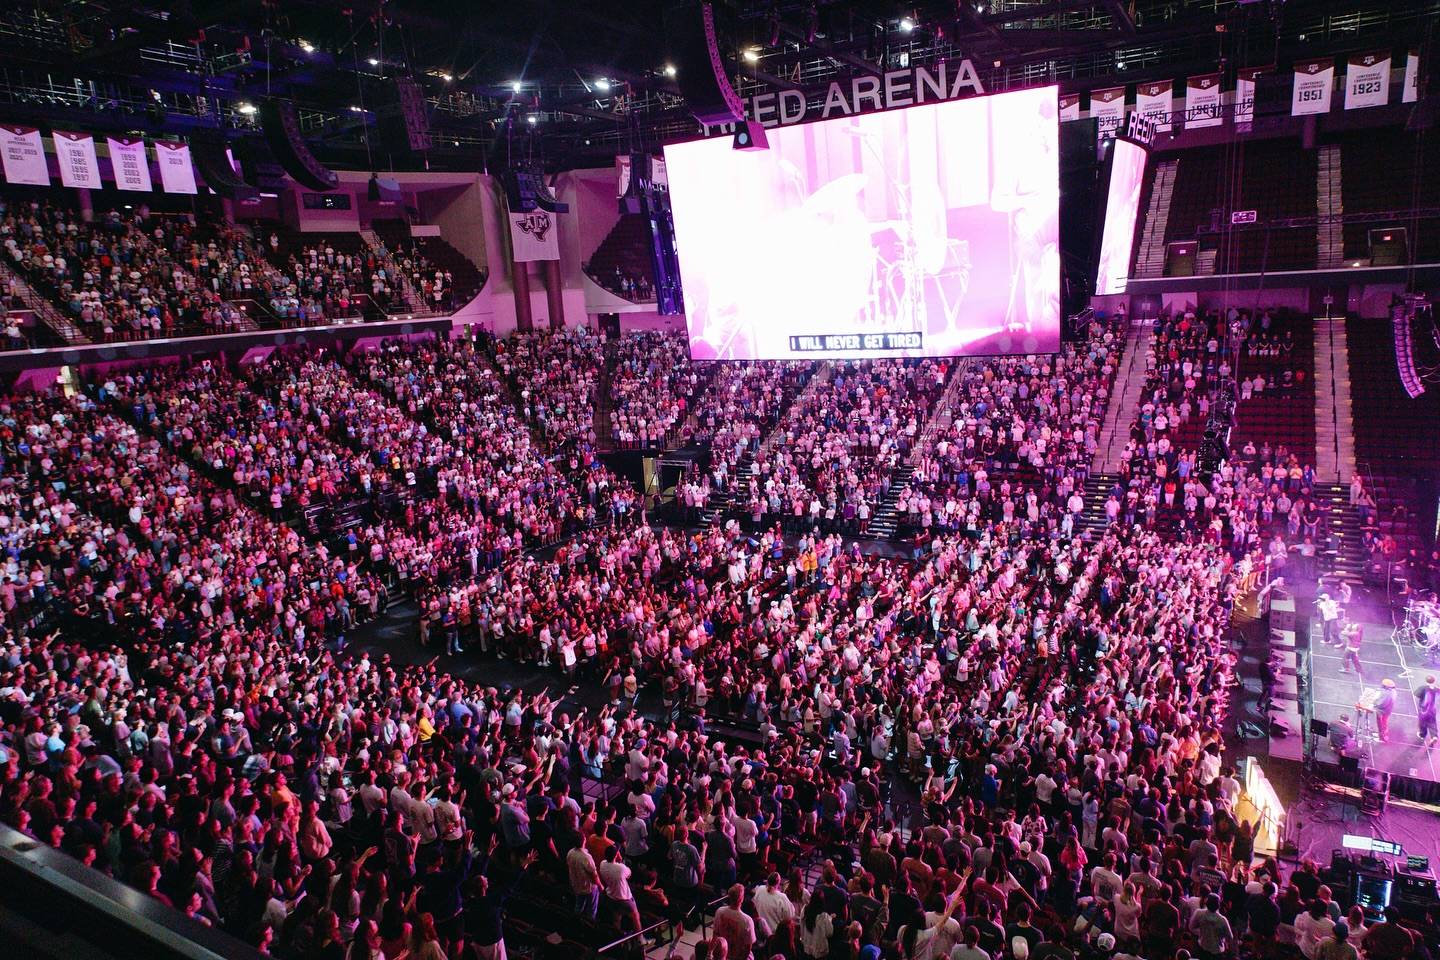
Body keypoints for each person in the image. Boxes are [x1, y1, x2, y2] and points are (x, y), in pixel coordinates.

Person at [713, 884, 758, 960]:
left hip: (723, 954)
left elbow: (715, 934)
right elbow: (748, 947)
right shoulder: (747, 921)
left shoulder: (719, 912)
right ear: (741, 899)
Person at [1190, 894, 1235, 960]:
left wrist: (1202, 933)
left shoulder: (1199, 913)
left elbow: (1192, 927)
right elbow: (1230, 937)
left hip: (1202, 947)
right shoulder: (1222, 920)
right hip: (1217, 951)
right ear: (1218, 905)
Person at [1416, 675, 1440, 747]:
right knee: (1432, 723)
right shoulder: (1438, 690)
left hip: (1423, 709)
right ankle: (1434, 736)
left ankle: (1422, 734)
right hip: (1432, 710)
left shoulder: (1423, 688)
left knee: (1422, 722)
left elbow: (1415, 696)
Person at [1375, 679, 1398, 744]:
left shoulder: (1388, 693)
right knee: (1383, 723)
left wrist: (1375, 703)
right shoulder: (1393, 691)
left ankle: (1382, 738)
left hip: (1383, 711)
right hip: (1387, 710)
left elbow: (1382, 703)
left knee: (1381, 724)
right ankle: (1380, 735)